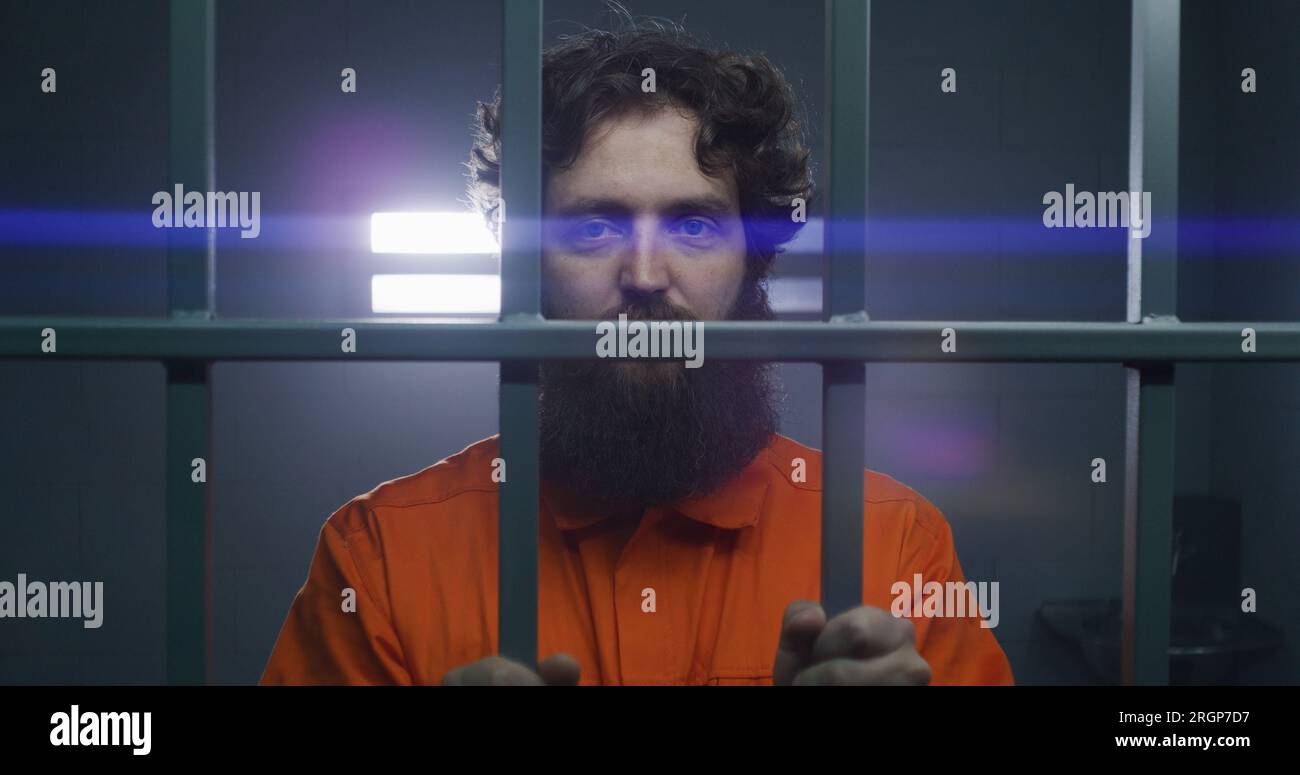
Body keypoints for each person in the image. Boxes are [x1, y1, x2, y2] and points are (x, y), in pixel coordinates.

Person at [261, 15, 1013, 686]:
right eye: (594, 227)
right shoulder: (382, 553)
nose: (647, 276)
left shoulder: (891, 541)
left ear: (754, 258)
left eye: (694, 226)